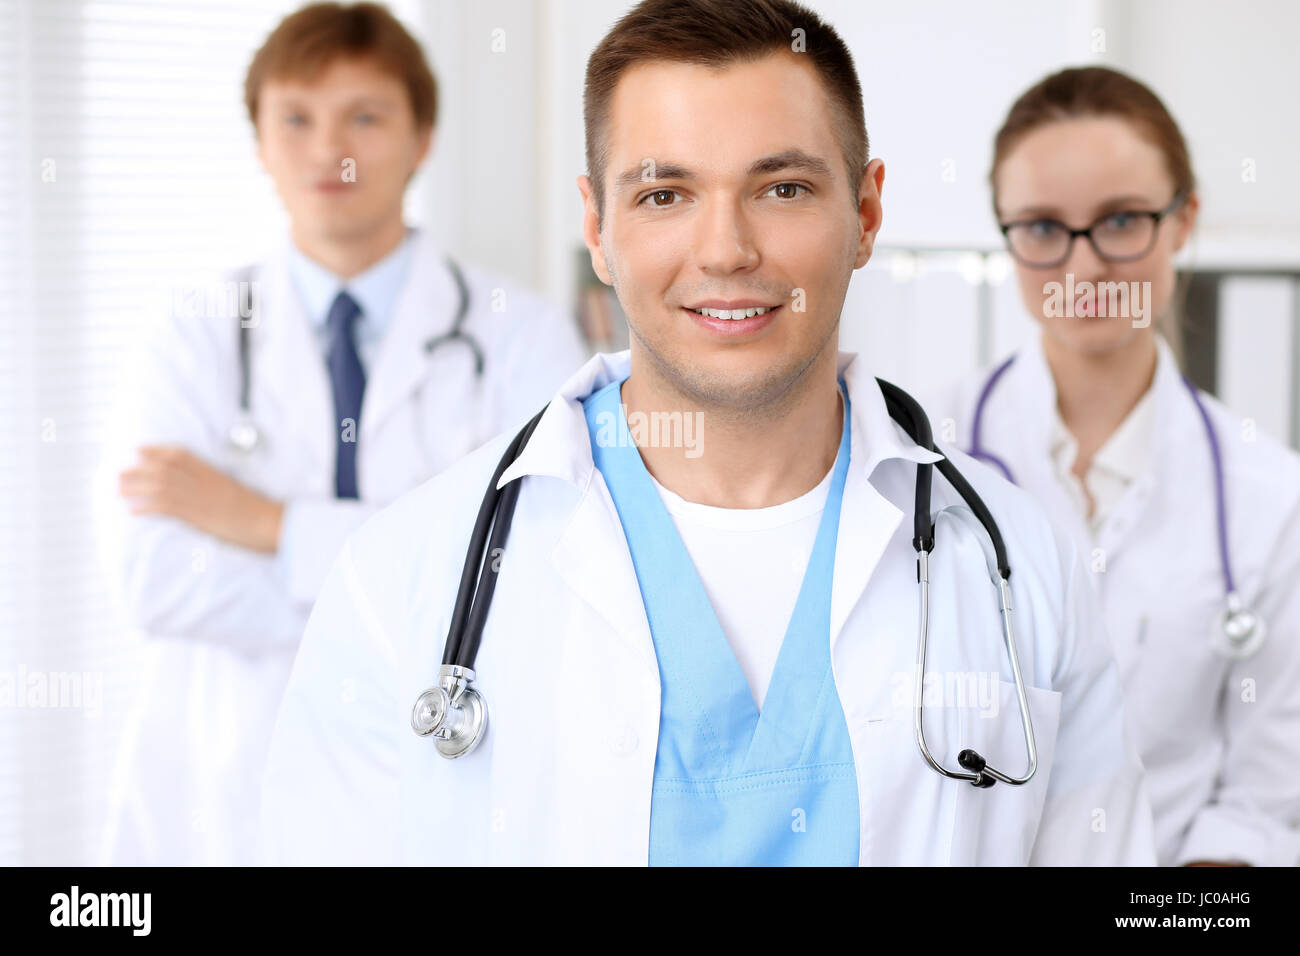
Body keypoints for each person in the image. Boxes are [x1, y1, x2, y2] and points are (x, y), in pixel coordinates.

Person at [260, 0, 1155, 866]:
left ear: (867, 215)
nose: (725, 250)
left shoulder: (1019, 567)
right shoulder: (405, 575)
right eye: (664, 195)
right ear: (597, 230)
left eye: (784, 187)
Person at [103, 1, 587, 866]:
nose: (332, 149)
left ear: (423, 137)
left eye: (365, 115)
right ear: (258, 141)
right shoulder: (194, 331)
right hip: (230, 792)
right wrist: (414, 579)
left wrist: (266, 525)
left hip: (448, 790)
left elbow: (537, 577)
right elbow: (159, 581)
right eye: (296, 118)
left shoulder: (523, 336)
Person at [923, 66, 1300, 866]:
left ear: (1182, 219)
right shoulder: (923, 459)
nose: (1085, 269)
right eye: (1043, 228)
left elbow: (1268, 796)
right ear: (1006, 232)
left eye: (1122, 220)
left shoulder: (1272, 499)